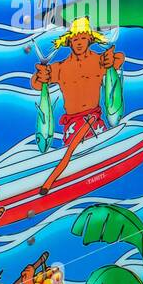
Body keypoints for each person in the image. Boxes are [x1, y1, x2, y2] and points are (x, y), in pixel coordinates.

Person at [30, 16, 126, 191]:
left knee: (97, 161)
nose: (79, 43)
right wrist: (40, 75)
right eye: (75, 39)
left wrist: (112, 59)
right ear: (69, 42)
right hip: (73, 126)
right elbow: (36, 84)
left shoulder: (99, 61)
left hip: (95, 123)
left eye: (83, 38)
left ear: (90, 39)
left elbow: (119, 59)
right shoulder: (60, 68)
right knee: (74, 164)